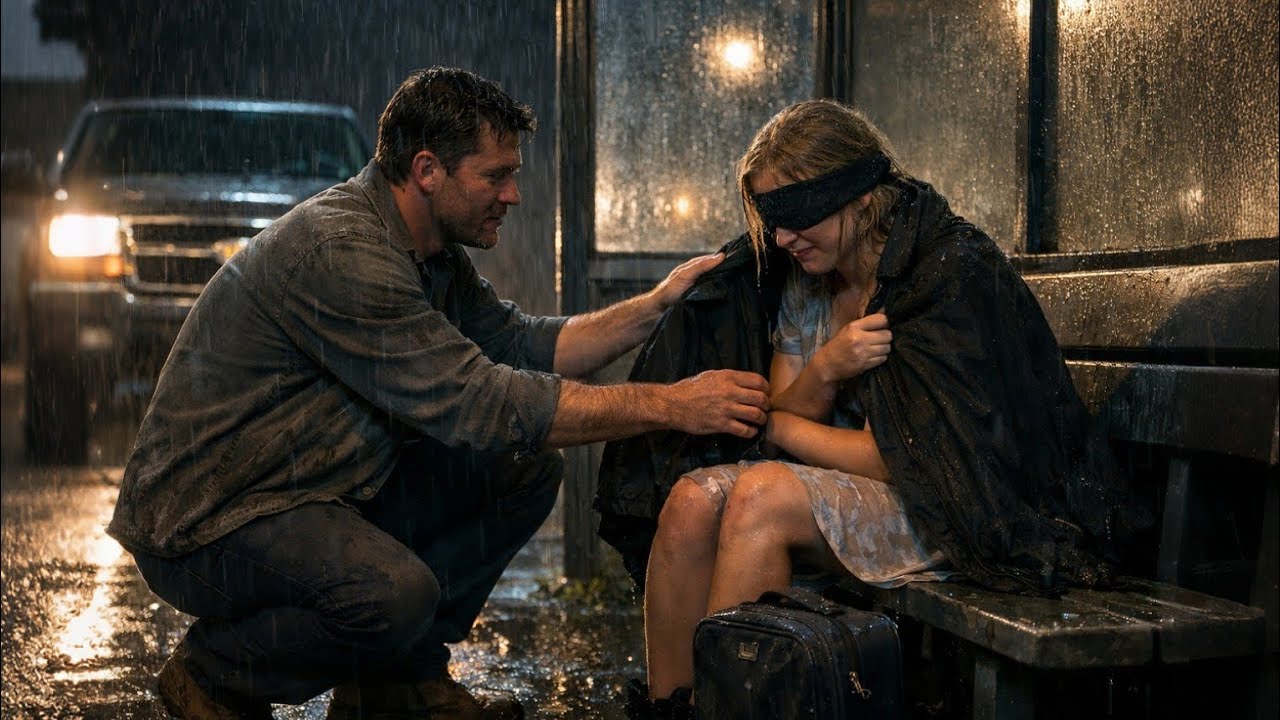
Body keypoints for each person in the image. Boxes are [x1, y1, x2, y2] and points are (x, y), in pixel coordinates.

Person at [106, 66, 770, 720]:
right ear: (428, 170)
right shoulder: (346, 252)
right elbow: (484, 405)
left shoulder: (430, 253)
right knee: (392, 594)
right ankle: (215, 673)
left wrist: (655, 306)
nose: (512, 195)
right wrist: (674, 403)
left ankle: (396, 682)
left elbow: (523, 345)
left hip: (309, 489)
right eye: (496, 175)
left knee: (525, 469)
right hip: (208, 521)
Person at [631, 99, 1147, 718]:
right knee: (691, 500)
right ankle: (670, 710)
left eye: (797, 214)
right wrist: (826, 369)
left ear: (859, 196)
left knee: (760, 499)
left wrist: (784, 421)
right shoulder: (808, 278)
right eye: (772, 220)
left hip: (961, 506)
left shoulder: (938, 274)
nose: (782, 236)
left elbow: (895, 460)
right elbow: (784, 415)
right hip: (852, 481)